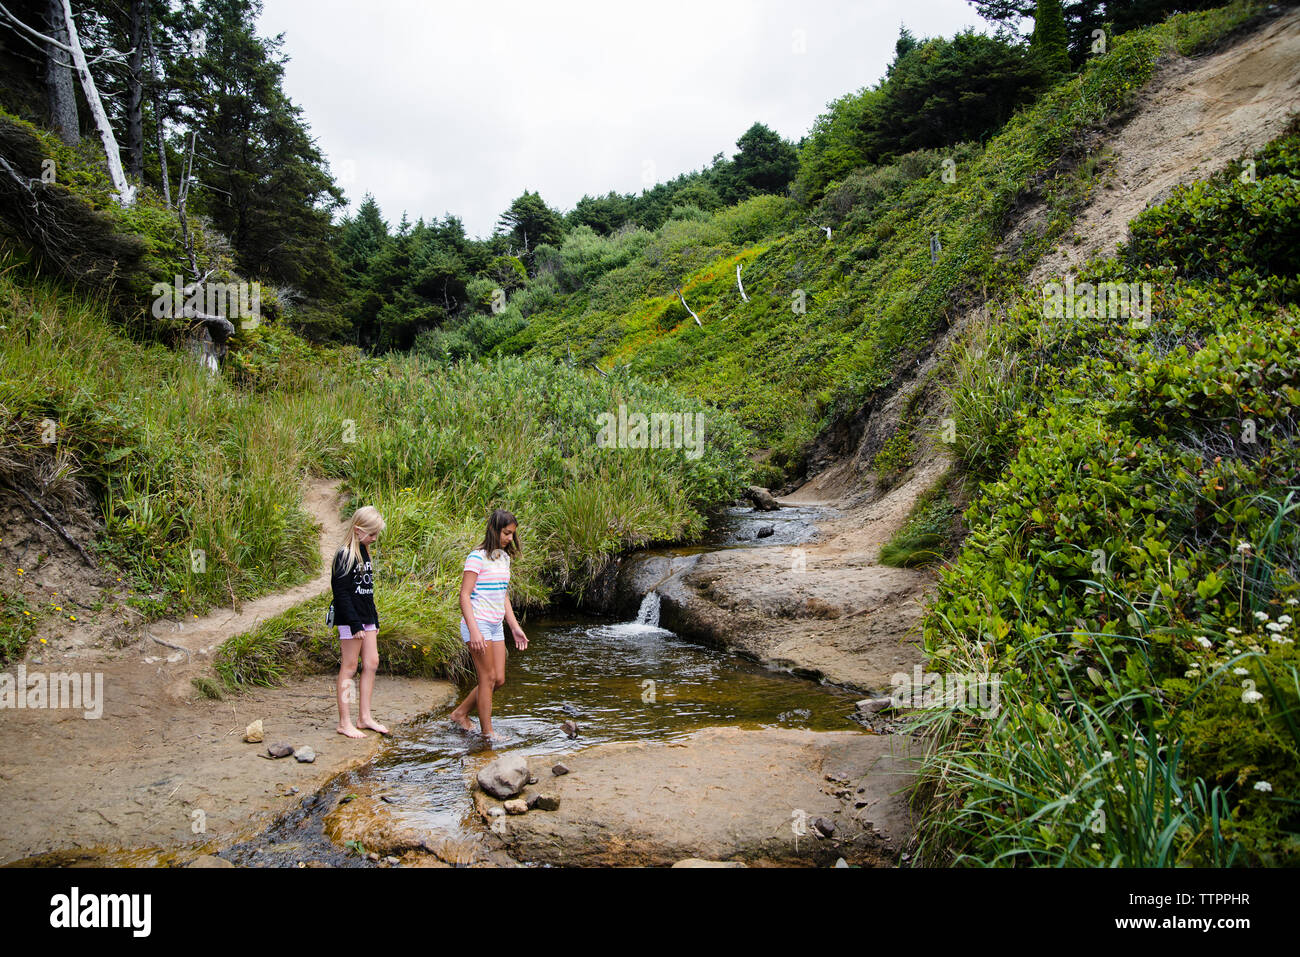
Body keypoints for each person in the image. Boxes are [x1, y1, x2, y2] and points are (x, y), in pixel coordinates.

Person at [448, 508, 528, 739]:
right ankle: (488, 734)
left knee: (499, 679)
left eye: (512, 534)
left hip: (495, 625)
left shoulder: (503, 558)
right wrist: (474, 631)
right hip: (478, 624)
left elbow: (503, 596)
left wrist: (514, 627)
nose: (510, 538)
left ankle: (460, 713)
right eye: (506, 533)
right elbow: (464, 595)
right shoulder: (476, 557)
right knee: (487, 679)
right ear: (494, 529)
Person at [331, 505, 389, 739]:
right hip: (350, 619)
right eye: (371, 534)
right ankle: (344, 721)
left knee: (372, 662)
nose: (374, 539)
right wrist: (355, 624)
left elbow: (367, 590)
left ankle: (364, 717)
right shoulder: (344, 554)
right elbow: (341, 593)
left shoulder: (364, 550)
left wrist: (372, 619)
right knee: (350, 666)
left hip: (367, 618)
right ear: (357, 529)